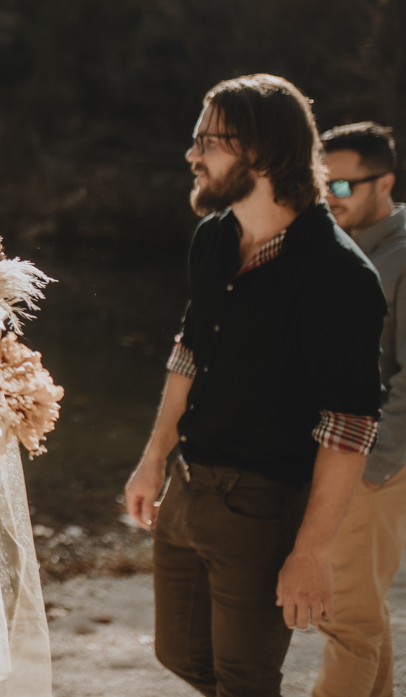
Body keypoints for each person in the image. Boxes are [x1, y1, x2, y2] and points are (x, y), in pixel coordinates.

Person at [122, 75, 387, 697]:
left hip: (262, 507)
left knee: (245, 680)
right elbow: (190, 352)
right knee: (178, 654)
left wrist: (312, 551)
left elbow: (349, 426)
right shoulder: (213, 239)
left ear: (263, 153)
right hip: (188, 487)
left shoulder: (340, 276)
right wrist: (152, 458)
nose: (192, 155)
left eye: (208, 142)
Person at [313, 122, 405, 697]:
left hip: (371, 463)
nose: (331, 197)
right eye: (324, 184)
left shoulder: (399, 257)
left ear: (385, 183)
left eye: (345, 186)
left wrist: (371, 468)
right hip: (351, 454)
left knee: (344, 618)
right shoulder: (348, 249)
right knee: (363, 612)